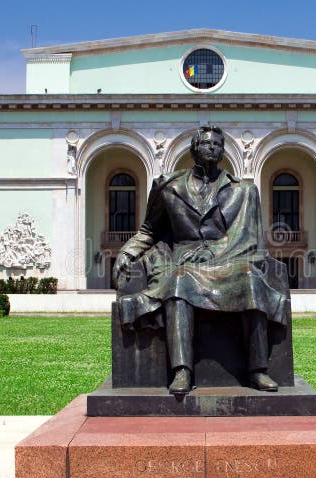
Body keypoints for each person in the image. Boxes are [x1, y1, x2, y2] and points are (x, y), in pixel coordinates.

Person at [112, 126, 289, 395]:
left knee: (252, 279)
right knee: (179, 279)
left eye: (218, 144)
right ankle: (182, 371)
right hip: (185, 260)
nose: (212, 148)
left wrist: (219, 253)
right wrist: (126, 253)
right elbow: (149, 230)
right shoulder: (168, 187)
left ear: (223, 151)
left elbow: (251, 240)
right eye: (206, 144)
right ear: (194, 149)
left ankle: (258, 370)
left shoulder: (242, 191)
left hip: (230, 259)